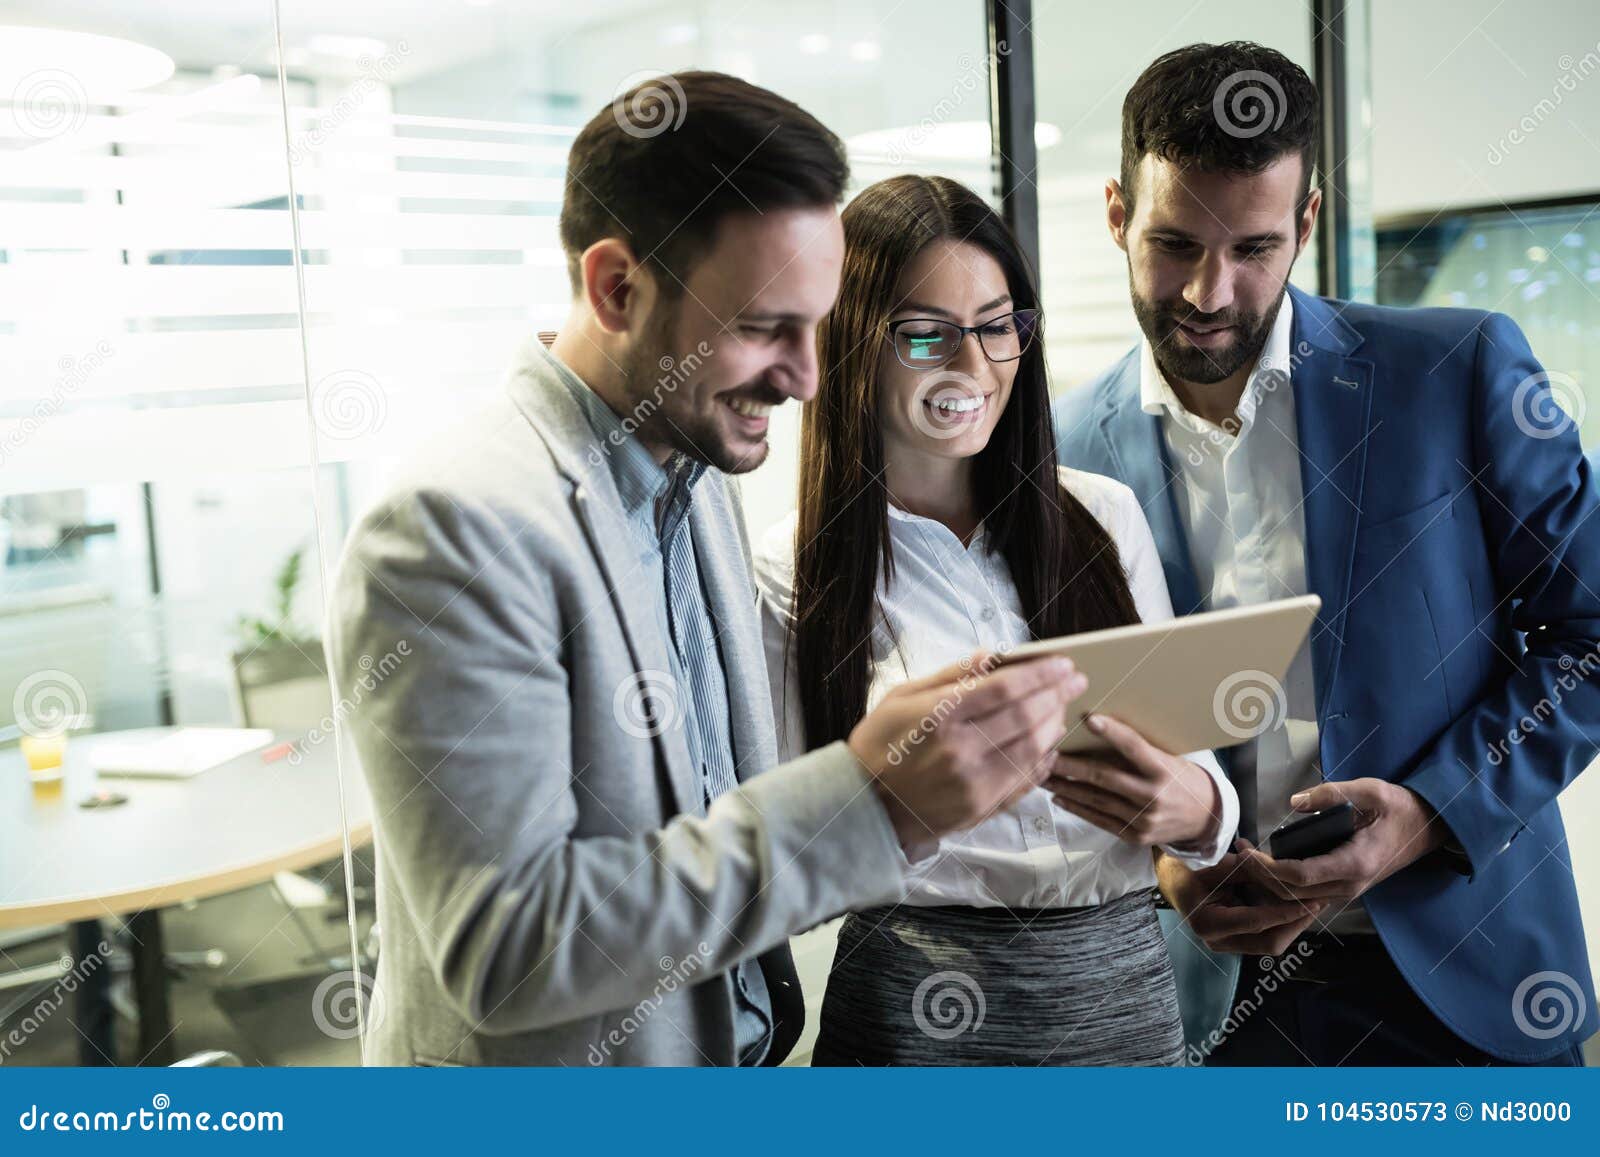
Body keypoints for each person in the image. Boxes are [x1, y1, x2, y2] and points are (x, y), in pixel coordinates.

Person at [327, 72, 1085, 1067]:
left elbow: (711, 829)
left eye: (816, 327)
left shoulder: (695, 477)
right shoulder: (452, 528)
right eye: (766, 326)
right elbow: (509, 950)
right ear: (615, 287)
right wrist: (869, 799)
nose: (808, 378)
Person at [1055, 41, 1600, 1065]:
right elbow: (1065, 721)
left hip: (1465, 982)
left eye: (1252, 249)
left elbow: (1591, 634)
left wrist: (1430, 812)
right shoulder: (1055, 451)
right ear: (1116, 214)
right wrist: (1167, 856)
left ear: (1304, 225)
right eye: (1174, 243)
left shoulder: (1453, 369)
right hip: (1201, 1001)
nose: (1209, 294)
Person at [755, 175, 1238, 1065]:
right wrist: (904, 794)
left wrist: (1197, 805)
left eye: (997, 324)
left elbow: (1198, 782)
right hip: (915, 1017)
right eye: (926, 333)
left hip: (1123, 1001)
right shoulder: (788, 571)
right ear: (854, 341)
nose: (974, 369)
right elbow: (788, 871)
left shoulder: (1102, 516)